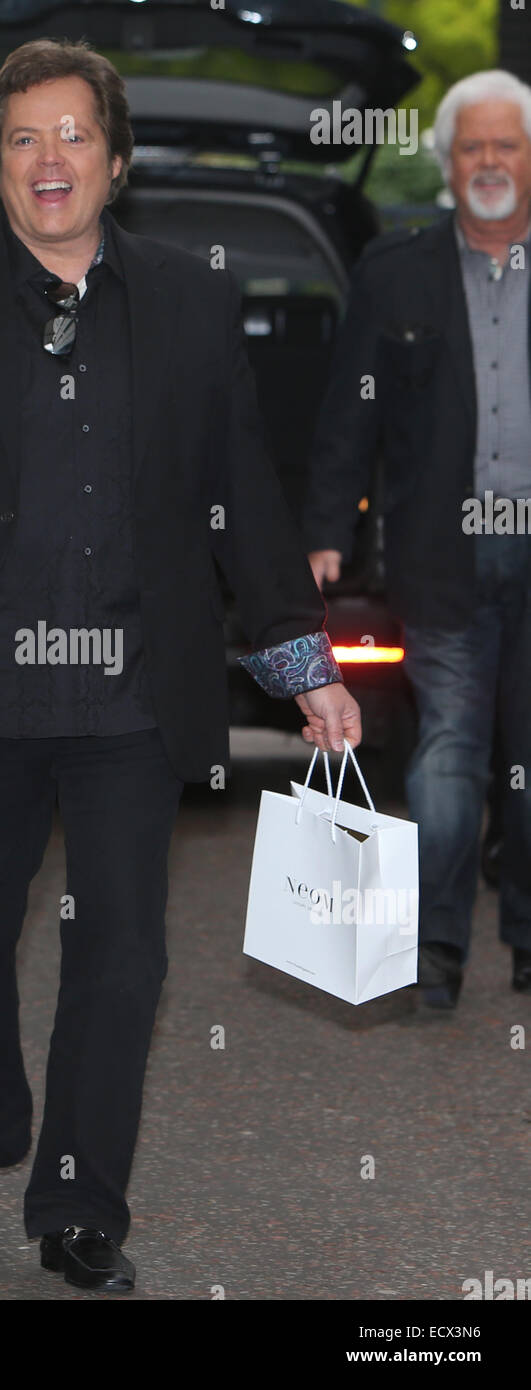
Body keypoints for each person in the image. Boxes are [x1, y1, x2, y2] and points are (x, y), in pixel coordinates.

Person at [0, 39, 360, 1292]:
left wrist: (301, 663)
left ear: (115, 156)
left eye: (73, 134)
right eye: (25, 137)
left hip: (130, 689)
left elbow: (240, 492)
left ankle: (80, 1202)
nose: (51, 159)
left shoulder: (188, 297)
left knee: (124, 954)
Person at [303, 69, 531, 1010]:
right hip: (438, 555)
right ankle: (438, 947)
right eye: (471, 145)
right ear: (445, 161)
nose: (488, 161)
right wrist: (324, 526)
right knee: (446, 753)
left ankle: (523, 935)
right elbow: (344, 416)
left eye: (505, 144)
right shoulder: (391, 275)